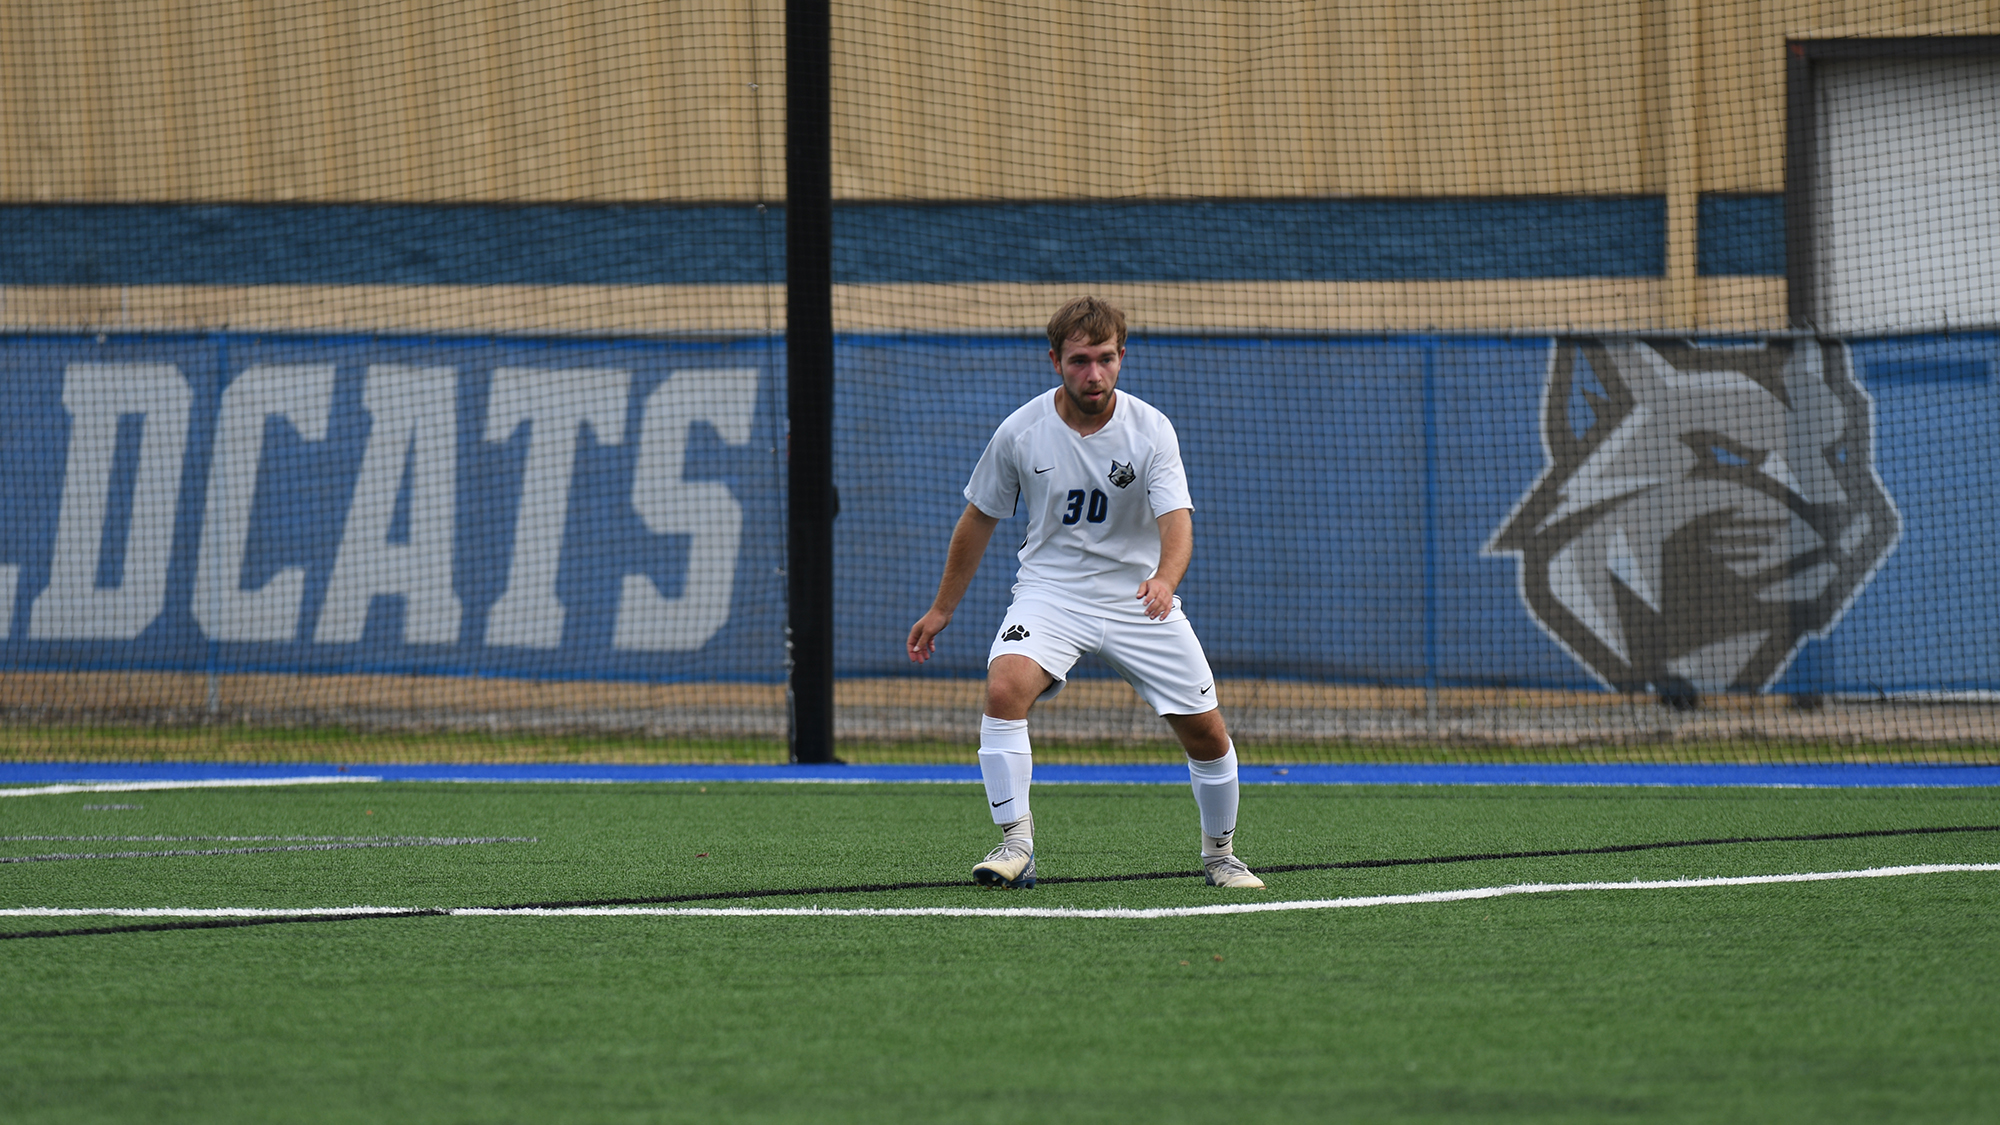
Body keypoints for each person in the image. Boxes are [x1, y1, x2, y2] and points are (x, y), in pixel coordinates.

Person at [906, 296, 1264, 890]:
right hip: (1052, 595)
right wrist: (943, 608)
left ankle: (1220, 855)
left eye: (1104, 359)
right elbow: (978, 518)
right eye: (1078, 361)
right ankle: (1015, 844)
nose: (1092, 374)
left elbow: (1177, 523)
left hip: (1139, 599)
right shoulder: (1020, 431)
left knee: (1208, 732)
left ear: (1122, 357)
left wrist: (1165, 582)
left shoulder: (1151, 430)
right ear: (1055, 361)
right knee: (1004, 686)